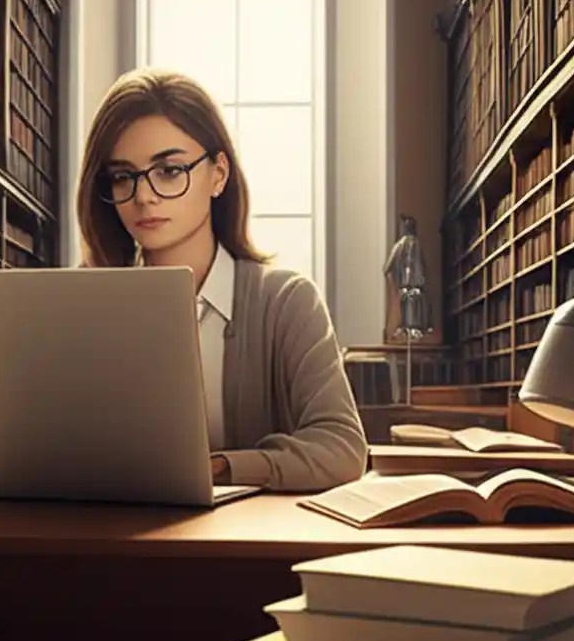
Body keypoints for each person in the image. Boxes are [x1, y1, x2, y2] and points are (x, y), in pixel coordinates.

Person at [75, 67, 368, 492]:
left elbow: (341, 448)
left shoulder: (287, 302)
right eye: (123, 176)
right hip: (115, 539)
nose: (143, 195)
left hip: (247, 547)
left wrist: (221, 469)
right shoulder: (85, 302)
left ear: (218, 174)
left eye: (170, 170)